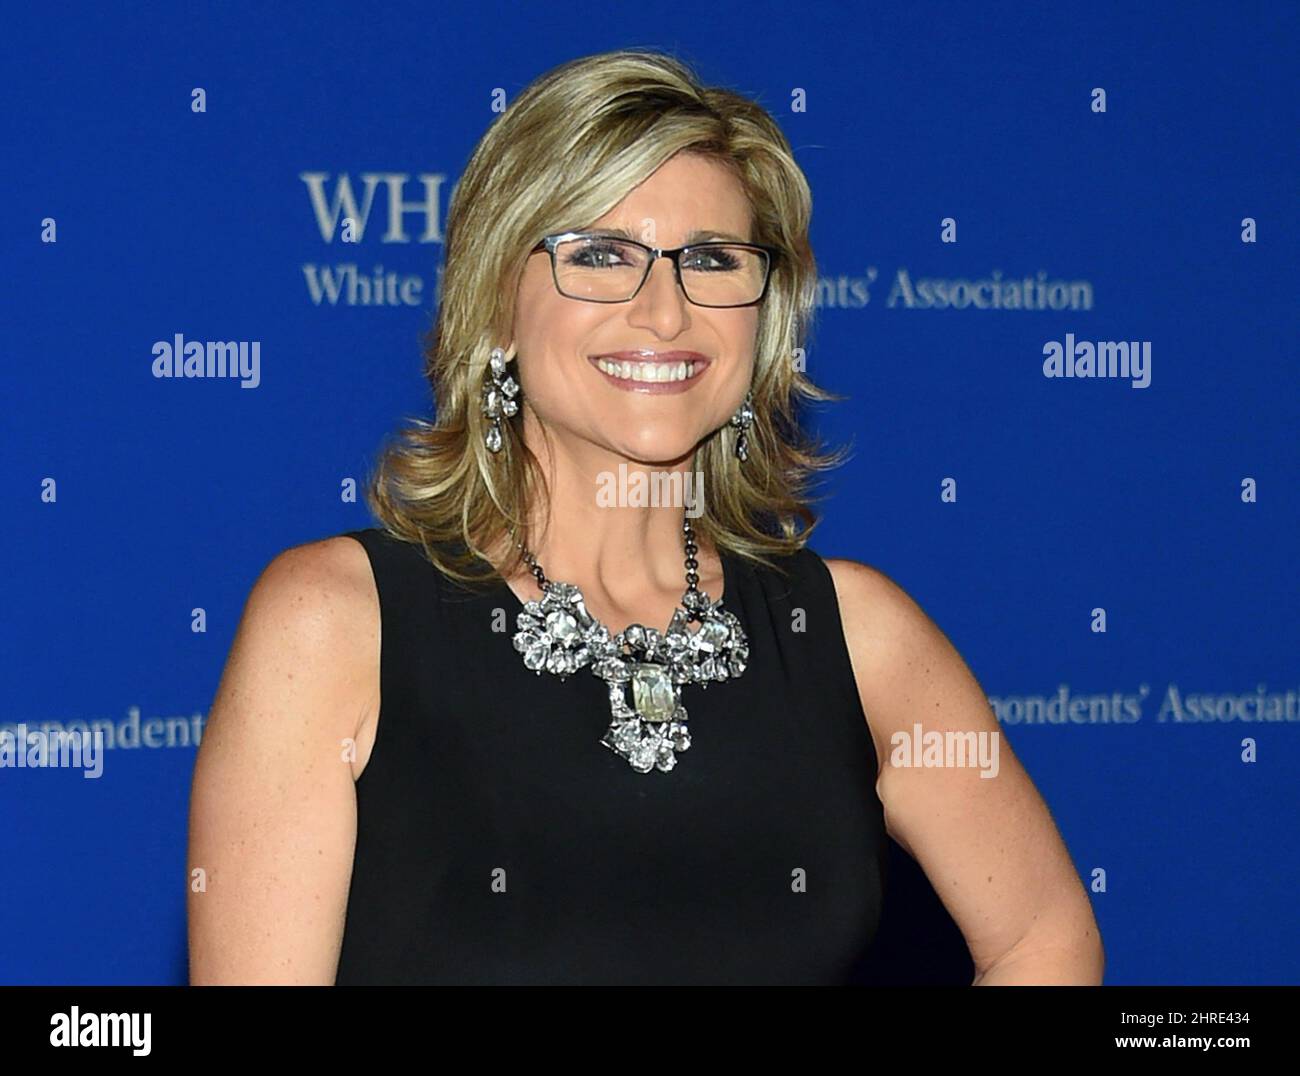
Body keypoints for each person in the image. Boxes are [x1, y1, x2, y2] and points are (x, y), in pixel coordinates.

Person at [187, 47, 1103, 985]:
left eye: (709, 259)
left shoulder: (857, 635)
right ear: (497, 306)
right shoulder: (334, 623)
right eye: (600, 255)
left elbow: (1044, 937)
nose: (665, 311)